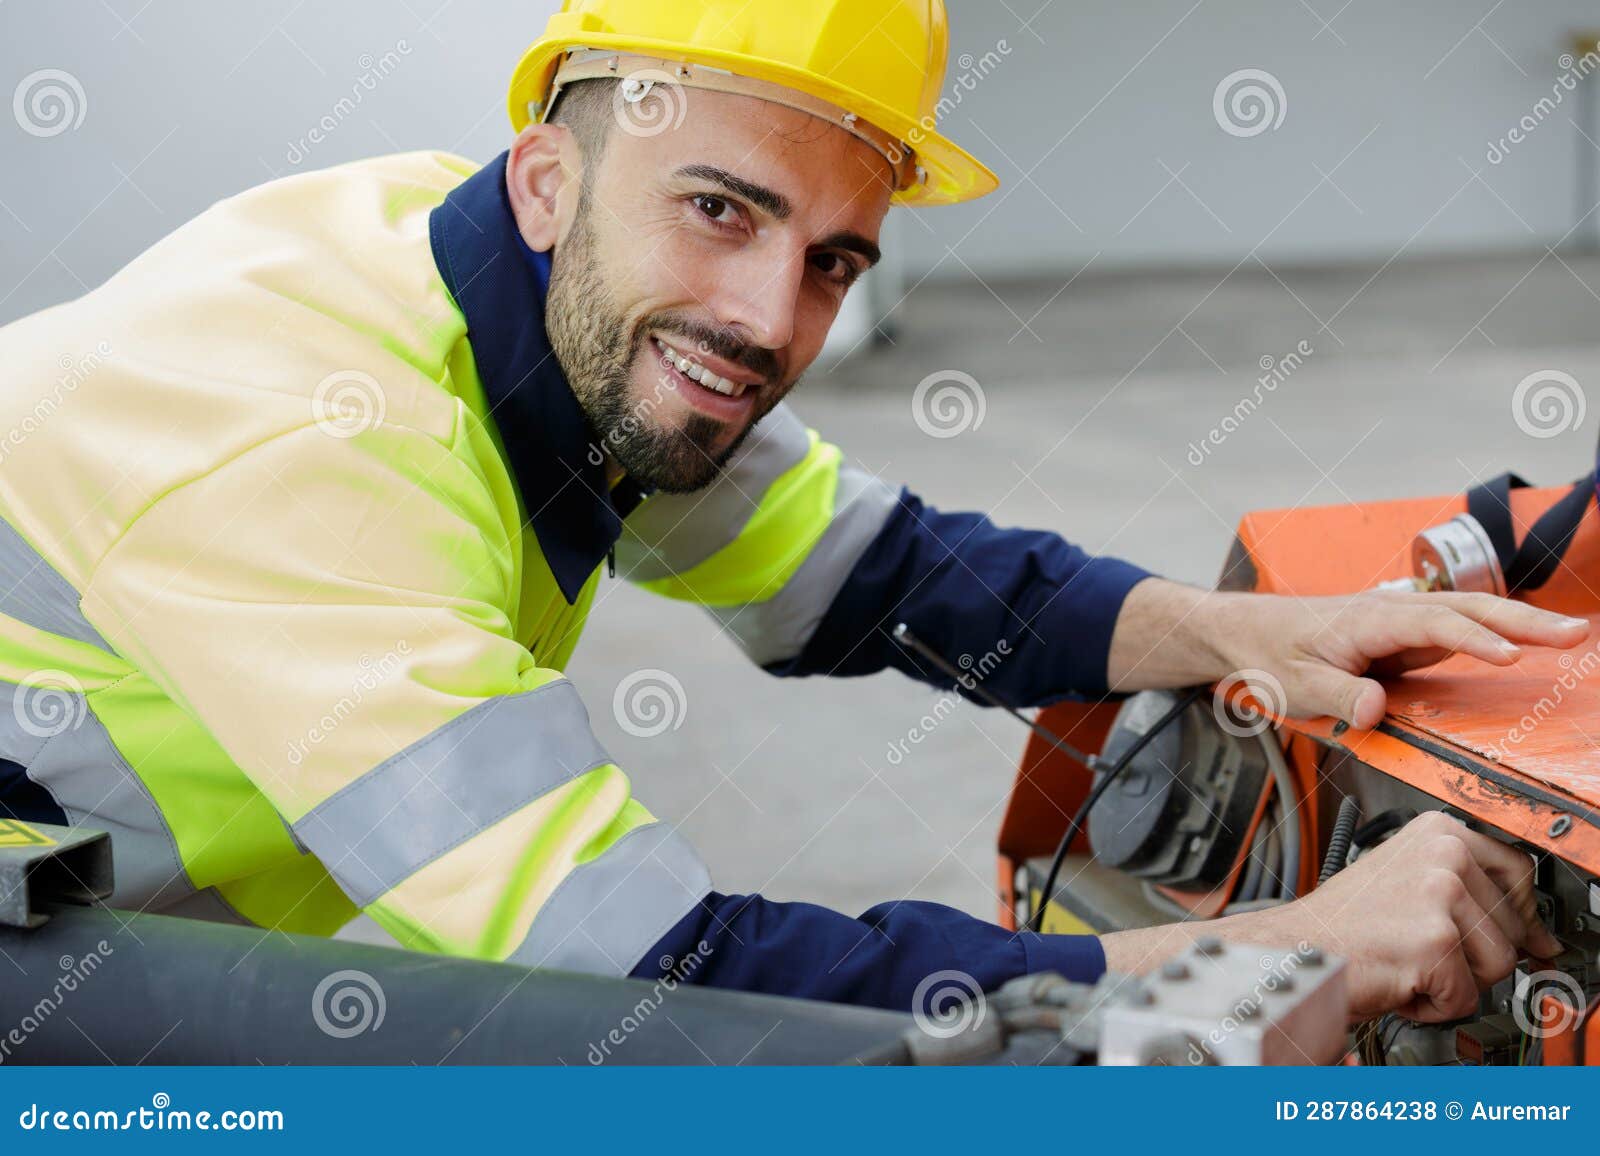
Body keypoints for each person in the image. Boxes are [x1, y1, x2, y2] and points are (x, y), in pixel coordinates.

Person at [0, 0, 1574, 1029]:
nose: (768, 320)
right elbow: (651, 983)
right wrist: (1271, 960)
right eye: (721, 210)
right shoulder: (307, 445)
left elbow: (875, 574)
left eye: (832, 257)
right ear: (550, 182)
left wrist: (1249, 628)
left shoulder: (526, 289)